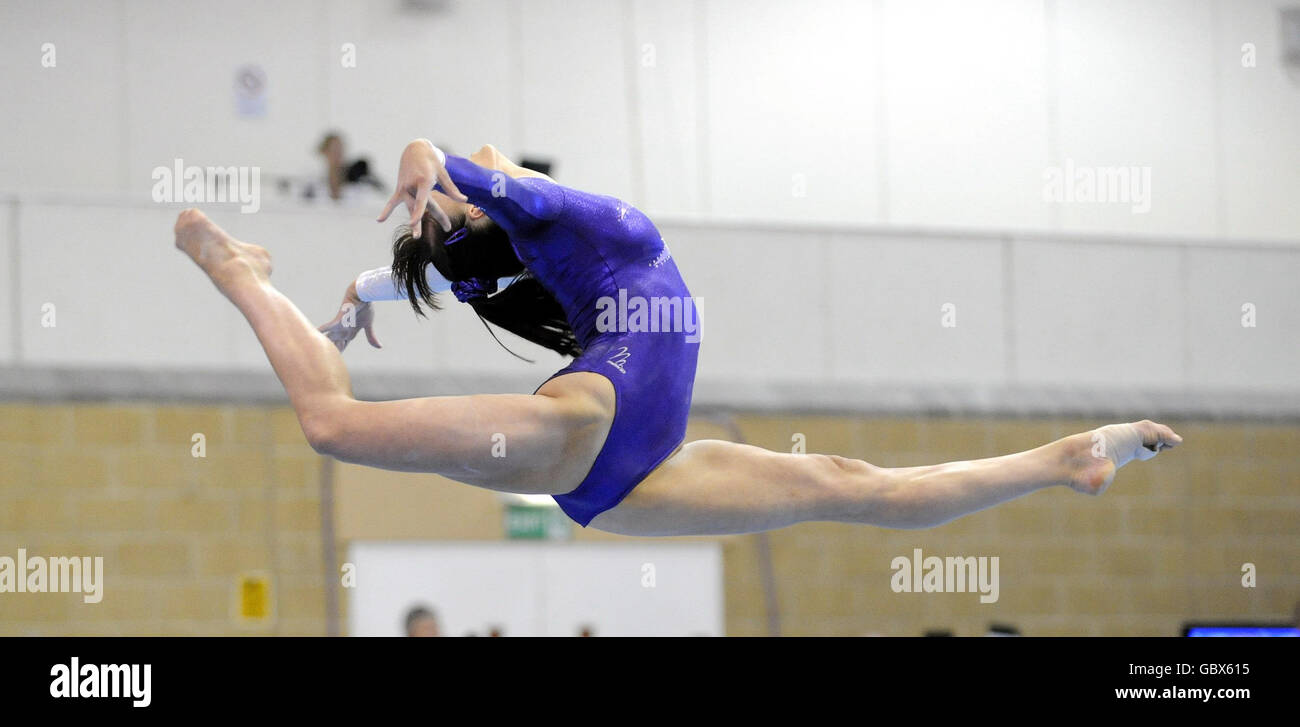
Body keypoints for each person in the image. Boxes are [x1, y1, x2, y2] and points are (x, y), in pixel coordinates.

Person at [173, 137, 1182, 537]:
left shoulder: (582, 229)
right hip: (589, 429)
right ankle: (241, 276)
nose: (472, 187)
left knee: (854, 486)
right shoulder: (566, 234)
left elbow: (476, 176)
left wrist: (424, 183)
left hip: (628, 471)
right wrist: (369, 277)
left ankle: (1068, 456)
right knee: (330, 421)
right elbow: (469, 183)